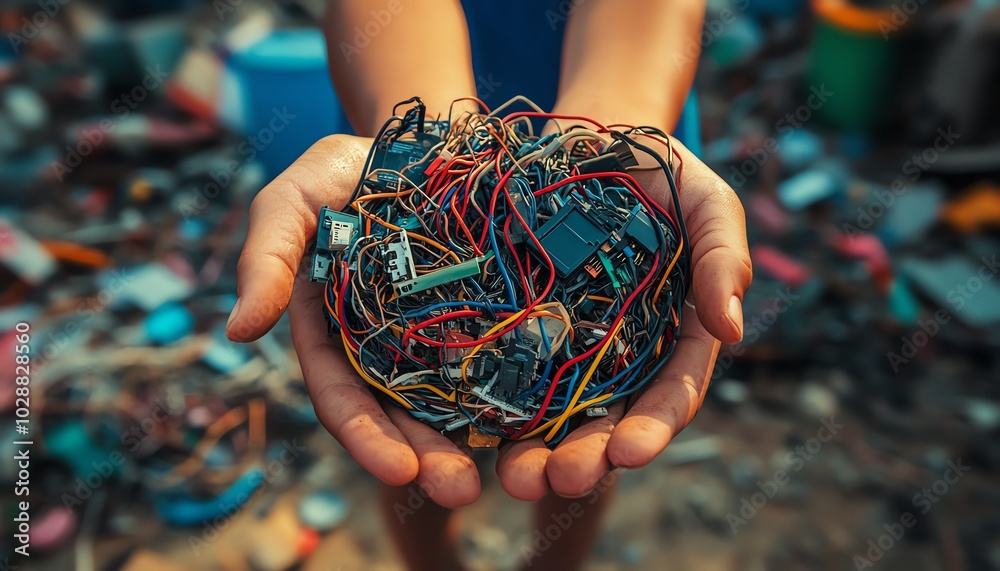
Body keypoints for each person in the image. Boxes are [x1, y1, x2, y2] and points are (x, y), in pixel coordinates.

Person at [225, 1, 752, 569]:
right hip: (418, 126)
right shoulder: (401, 207)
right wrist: (432, 150)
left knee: (587, 430)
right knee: (415, 416)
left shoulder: (617, 216)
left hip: (620, 103)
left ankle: (553, 562)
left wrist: (610, 140)